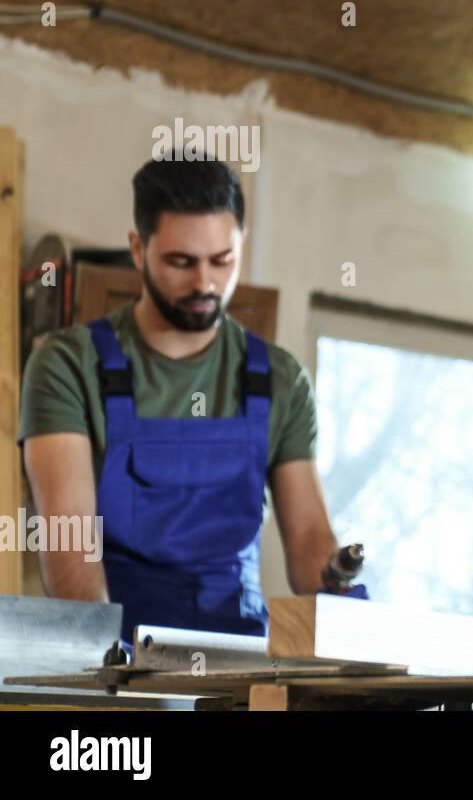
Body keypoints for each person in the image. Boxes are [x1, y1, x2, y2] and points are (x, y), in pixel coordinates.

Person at [21, 157, 349, 641]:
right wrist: (107, 669)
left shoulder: (279, 379)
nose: (204, 284)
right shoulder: (69, 365)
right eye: (182, 262)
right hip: (117, 651)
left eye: (223, 261)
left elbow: (306, 541)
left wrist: (343, 600)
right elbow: (70, 547)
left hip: (240, 661)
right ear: (138, 249)